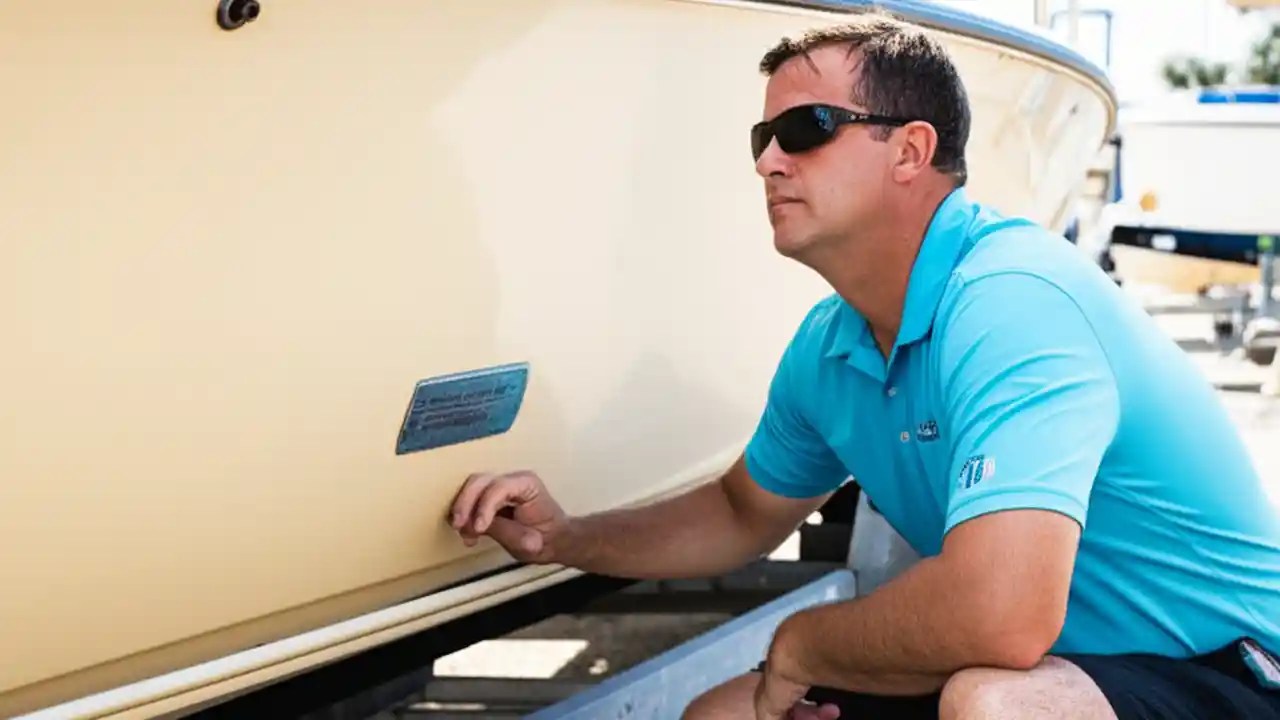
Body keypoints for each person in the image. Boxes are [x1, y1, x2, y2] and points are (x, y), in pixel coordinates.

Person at [449, 10, 1280, 720]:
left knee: (995, 706)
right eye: (761, 138)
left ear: (911, 151)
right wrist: (565, 537)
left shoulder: (1011, 299)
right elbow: (740, 513)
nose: (770, 161)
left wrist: (802, 645)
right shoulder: (831, 343)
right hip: (1053, 664)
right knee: (724, 714)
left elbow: (1001, 615)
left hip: (1225, 671)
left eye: (805, 130)